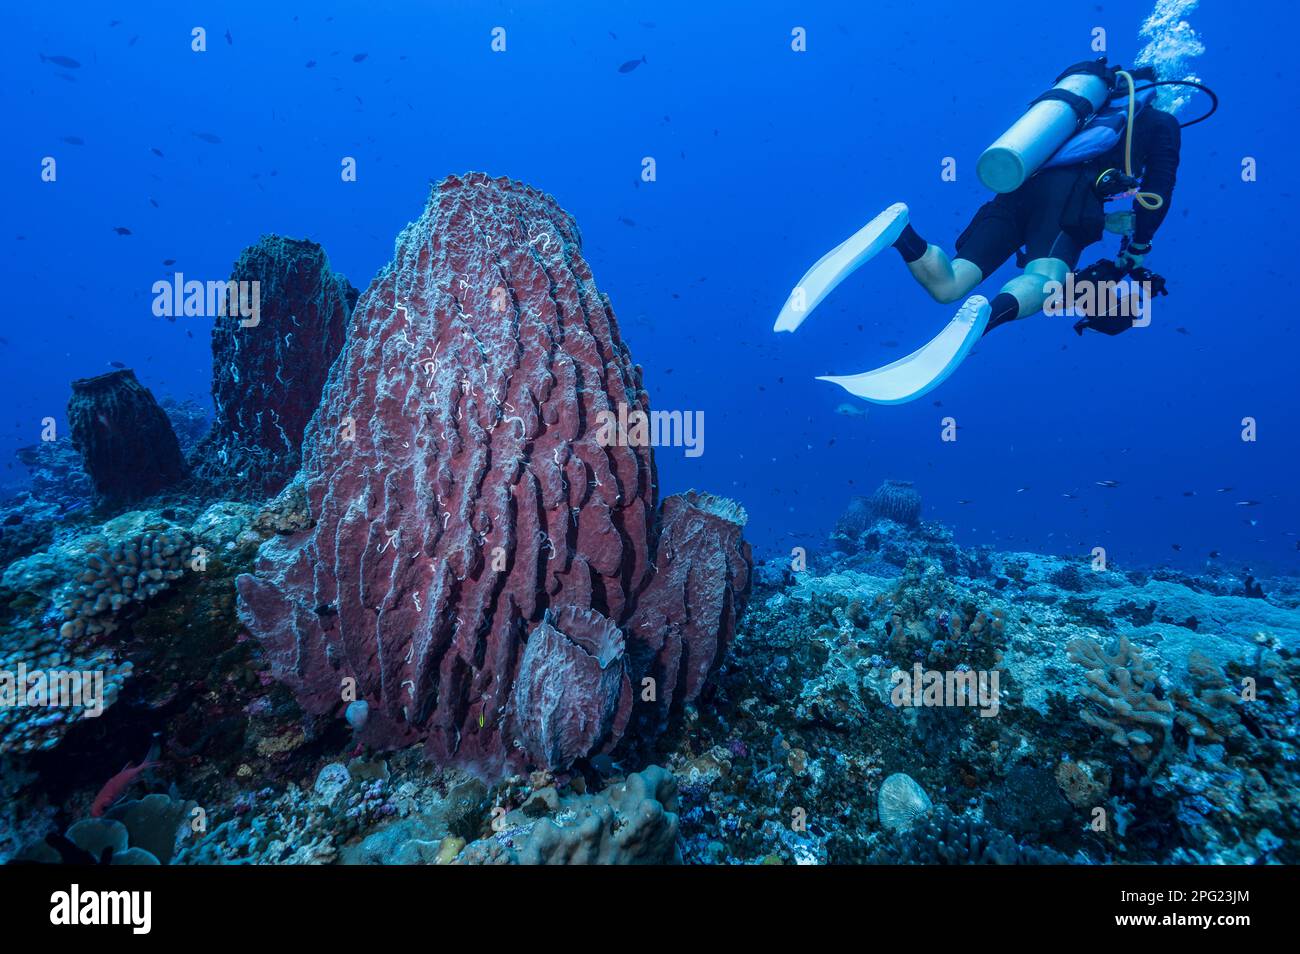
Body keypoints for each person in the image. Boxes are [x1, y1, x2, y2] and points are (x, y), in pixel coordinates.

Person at [889, 72, 1182, 335]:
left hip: (1019, 186)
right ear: (1155, 93)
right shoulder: (1161, 122)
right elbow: (1158, 194)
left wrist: (1103, 221)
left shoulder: (1076, 114)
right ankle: (984, 322)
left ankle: (902, 234)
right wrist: (1139, 245)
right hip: (1069, 198)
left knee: (948, 286)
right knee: (1045, 280)